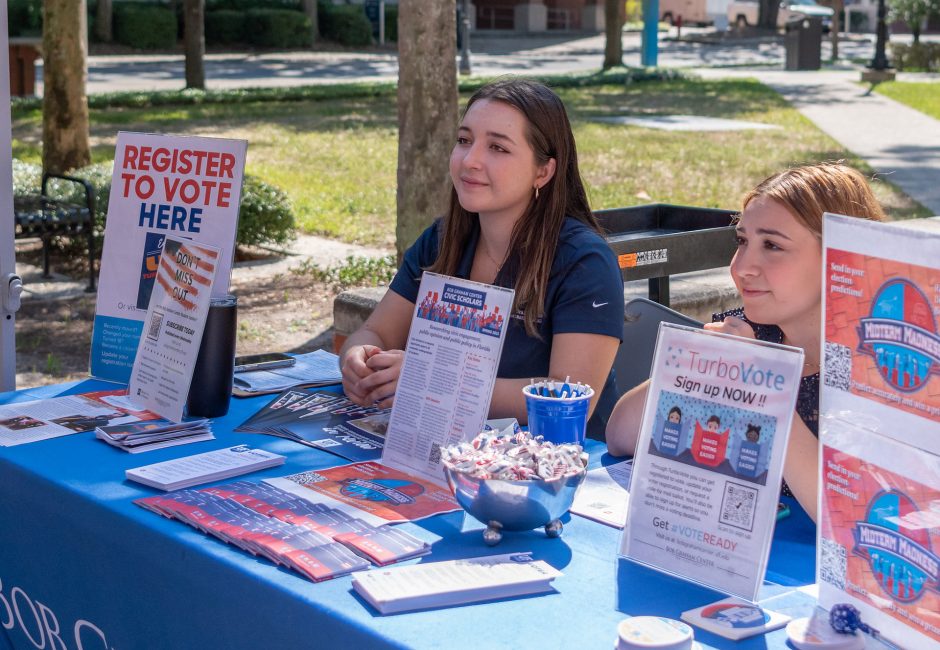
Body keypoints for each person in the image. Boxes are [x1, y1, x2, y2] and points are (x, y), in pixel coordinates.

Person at [339, 78, 625, 435]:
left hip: (558, 460)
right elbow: (376, 332)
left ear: (543, 171)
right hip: (447, 446)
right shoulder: (442, 240)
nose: (470, 160)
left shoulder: (585, 261)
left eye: (498, 148)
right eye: (464, 140)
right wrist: (358, 359)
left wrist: (434, 382)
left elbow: (571, 398)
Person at [605, 162, 886, 520]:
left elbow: (848, 515)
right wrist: (693, 365)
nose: (741, 267)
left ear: (841, 259)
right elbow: (621, 435)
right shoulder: (750, 331)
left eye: (772, 245)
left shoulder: (878, 368)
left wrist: (766, 386)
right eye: (742, 241)